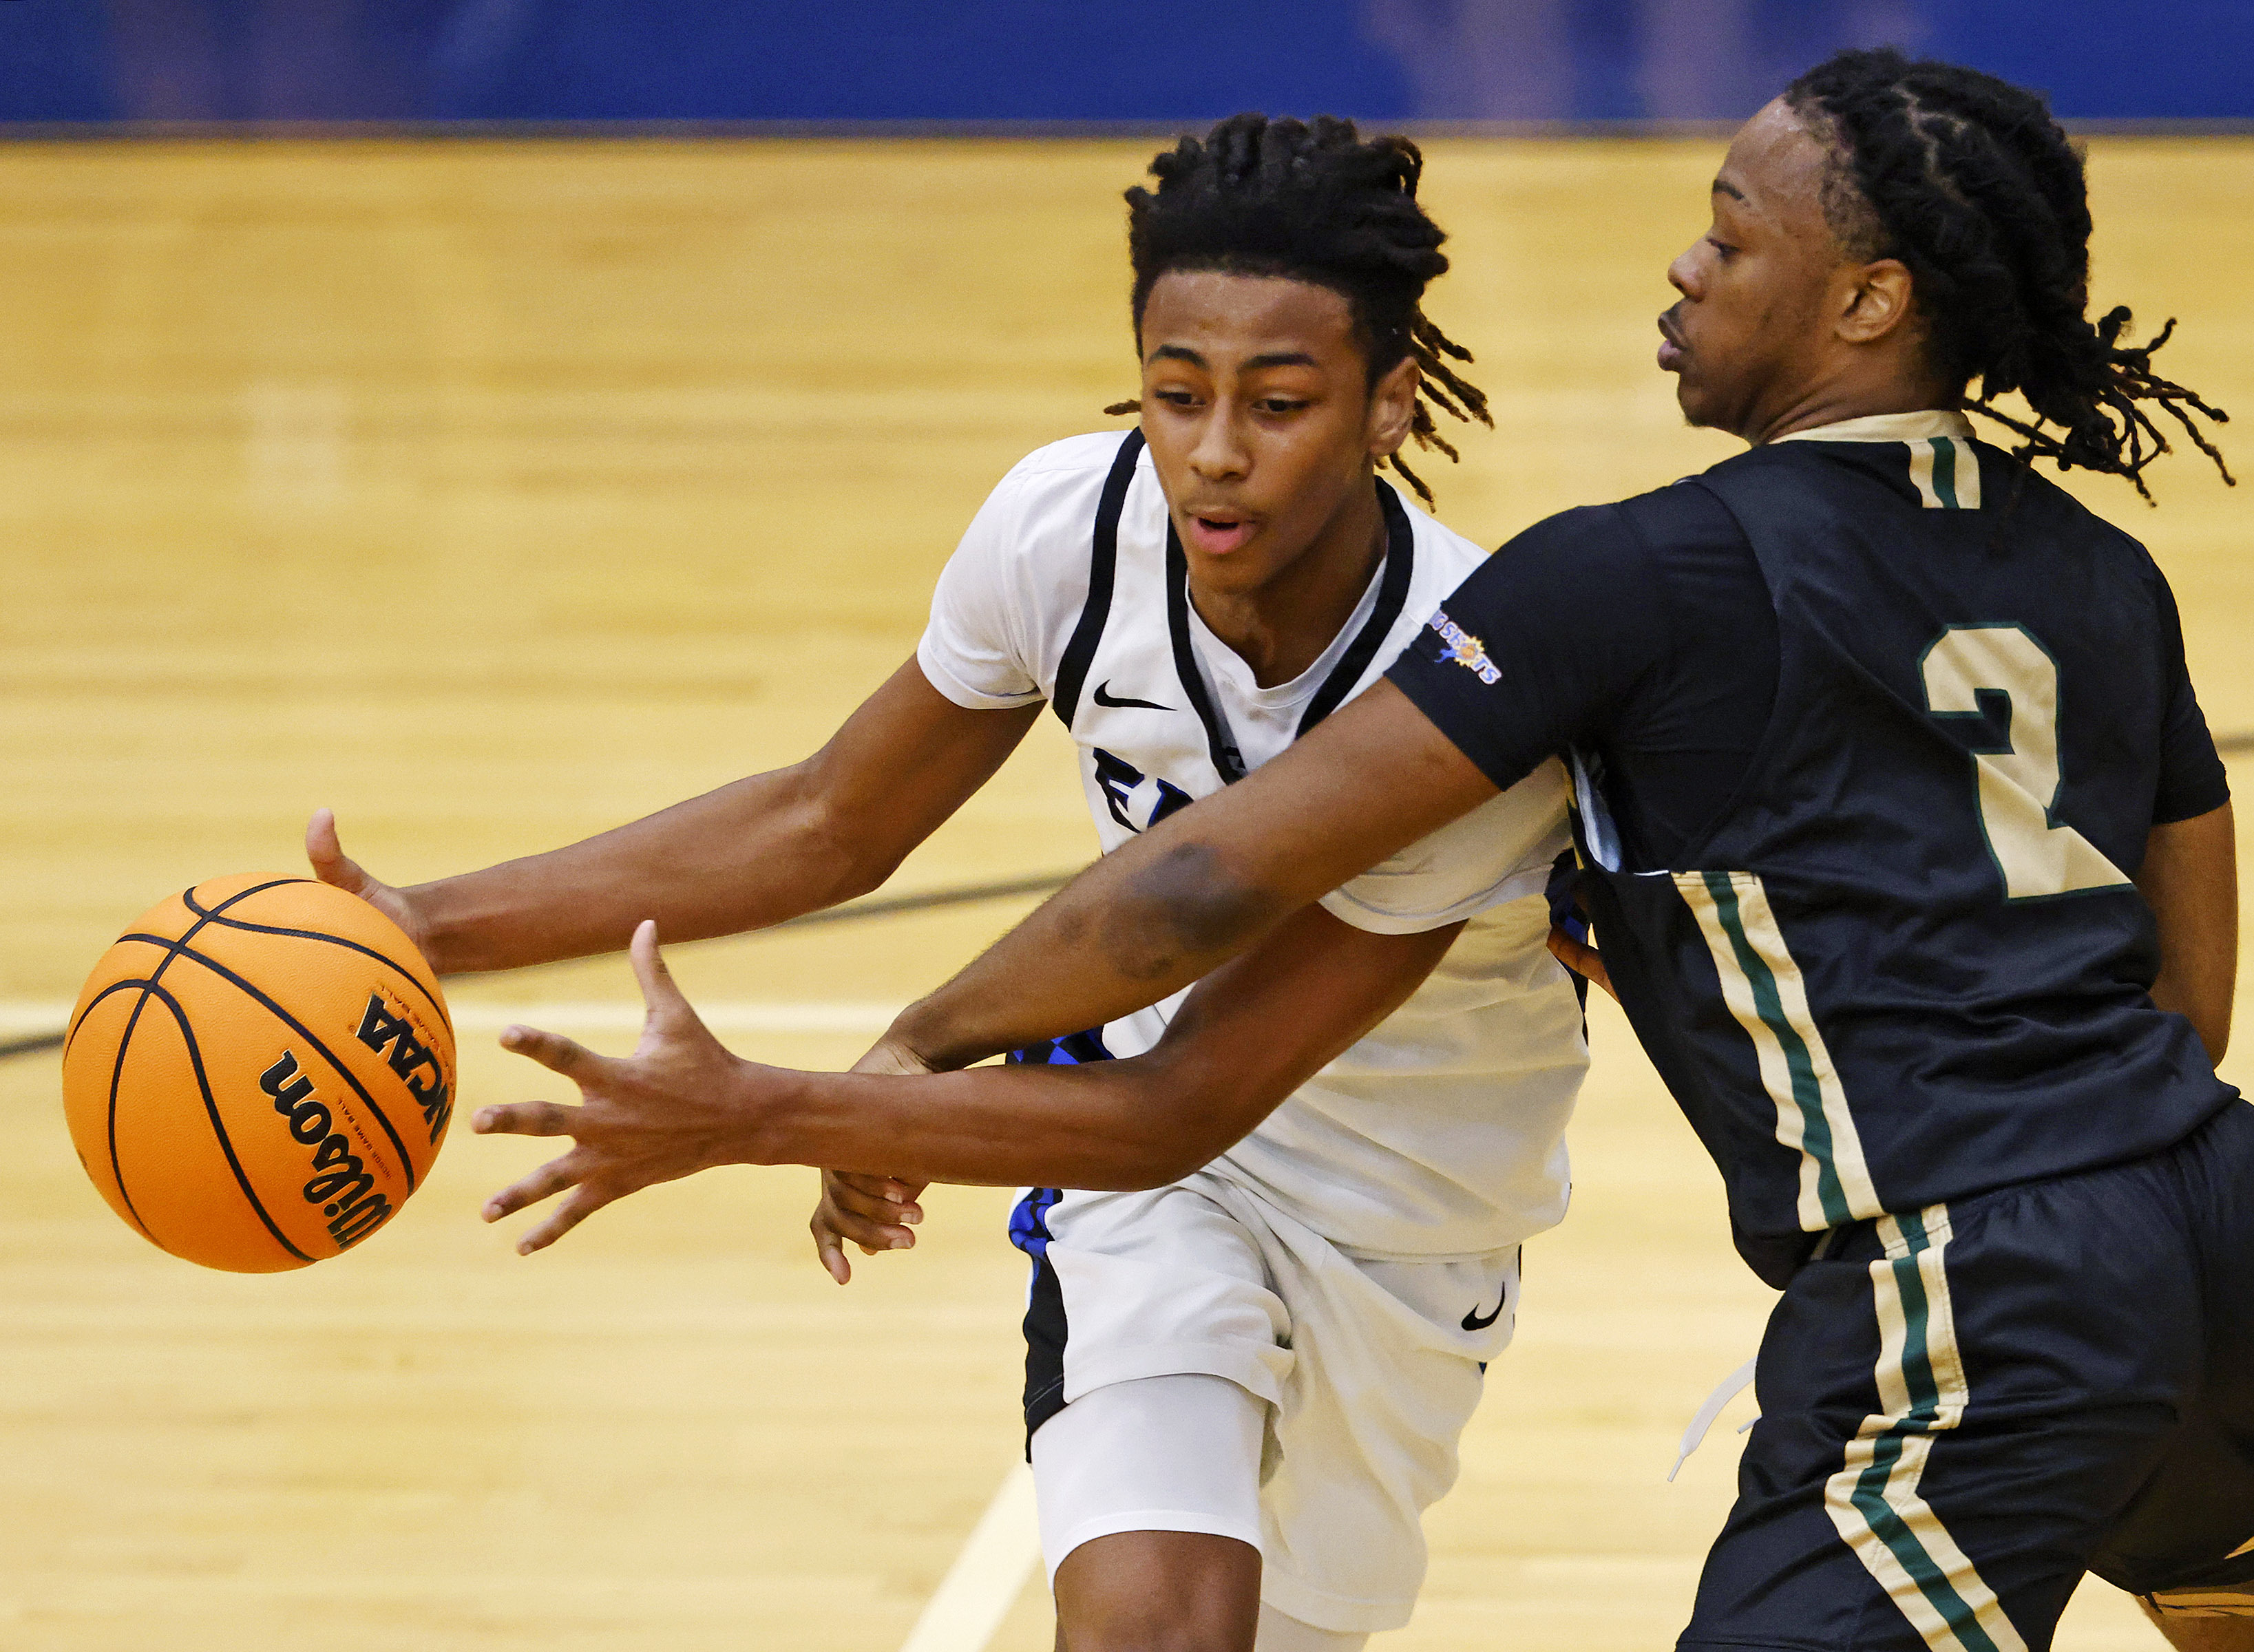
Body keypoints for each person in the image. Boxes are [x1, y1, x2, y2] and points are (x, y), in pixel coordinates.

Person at [551, 52, 2254, 1652]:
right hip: (2222, 1226)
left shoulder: (1636, 575)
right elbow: (2192, 997)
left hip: (1966, 1283)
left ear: (1866, 304)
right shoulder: (2101, 572)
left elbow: (1204, 885)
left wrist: (889, 1059)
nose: (1684, 269)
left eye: (1733, 238)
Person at [322, 114, 1592, 1652]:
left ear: (1393, 403)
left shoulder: (1477, 682)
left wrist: (779, 1106)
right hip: (1147, 1178)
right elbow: (827, 820)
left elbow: (1193, 1093)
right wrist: (425, 930)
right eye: (1175, 392)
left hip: (1405, 1206)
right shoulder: (1070, 530)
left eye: (1280, 402)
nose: (1213, 451)